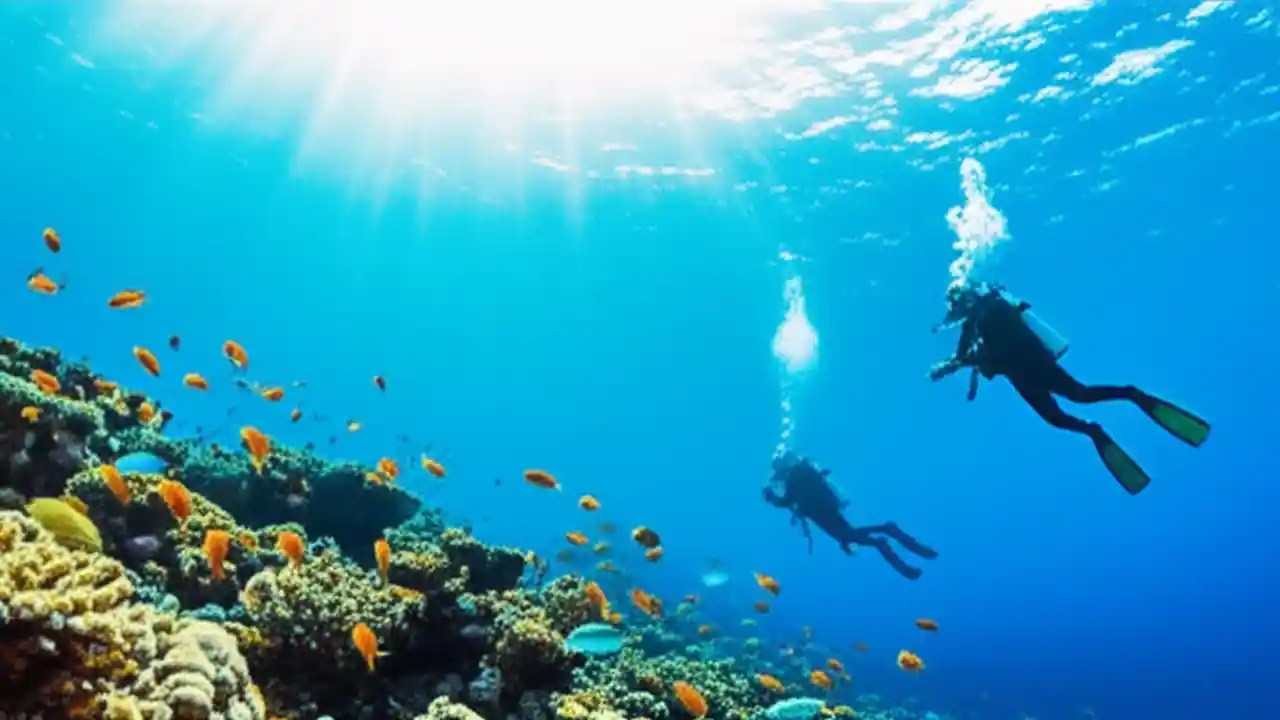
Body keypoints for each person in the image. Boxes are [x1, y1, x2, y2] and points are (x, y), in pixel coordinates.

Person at [929, 281, 1210, 495]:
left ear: (966, 299)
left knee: (1081, 395)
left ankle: (1131, 394)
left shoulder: (991, 307)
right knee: (1058, 418)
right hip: (1023, 377)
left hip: (1033, 366)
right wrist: (954, 364)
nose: (956, 312)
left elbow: (974, 348)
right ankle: (1093, 430)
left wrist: (958, 361)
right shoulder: (979, 322)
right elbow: (972, 353)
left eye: (957, 305)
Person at [763, 451, 937, 580]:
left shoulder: (793, 478)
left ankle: (897, 554)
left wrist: (771, 497)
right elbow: (808, 491)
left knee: (850, 537)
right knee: (849, 535)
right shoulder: (804, 471)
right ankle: (891, 537)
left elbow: (788, 500)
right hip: (828, 509)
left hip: (821, 513)